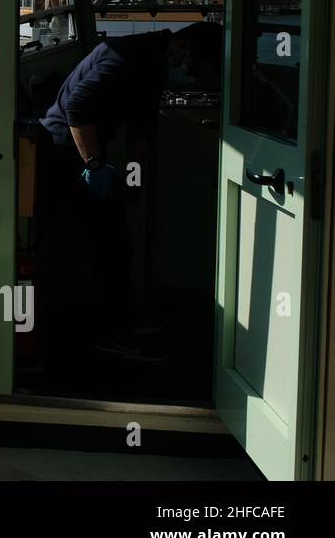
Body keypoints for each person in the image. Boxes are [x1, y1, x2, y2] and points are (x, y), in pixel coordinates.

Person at [37, 21, 223, 359]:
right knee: (107, 245)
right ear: (182, 48)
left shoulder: (153, 65)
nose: (193, 78)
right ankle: (110, 333)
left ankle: (121, 319)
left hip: (91, 150)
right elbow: (77, 108)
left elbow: (140, 128)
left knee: (115, 242)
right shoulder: (126, 59)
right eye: (194, 70)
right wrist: (94, 167)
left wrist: (134, 176)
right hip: (65, 150)